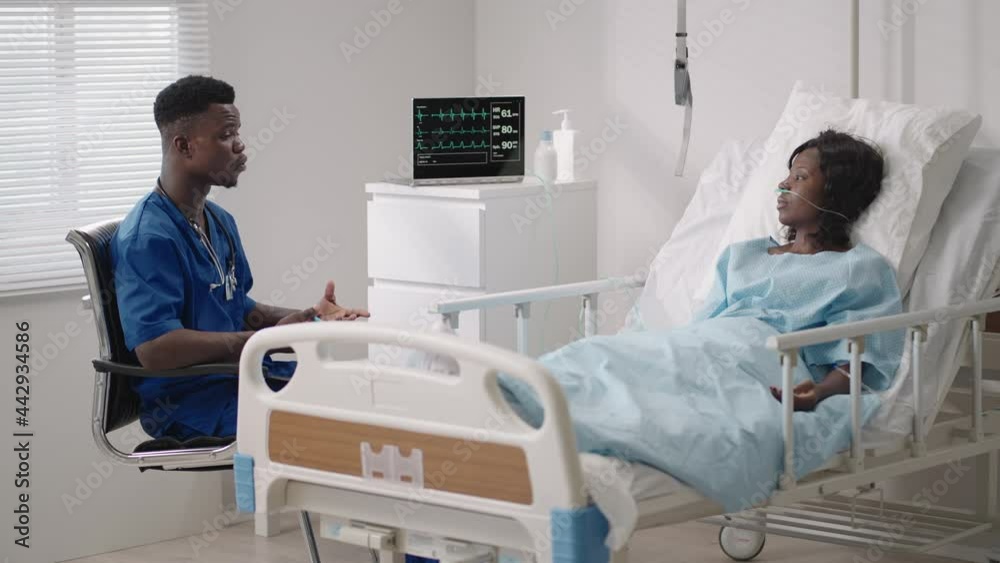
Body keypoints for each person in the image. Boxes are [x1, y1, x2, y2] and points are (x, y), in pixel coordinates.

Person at [498, 129, 906, 510]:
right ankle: (515, 395)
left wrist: (817, 395)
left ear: (834, 191)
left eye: (799, 177)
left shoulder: (858, 269)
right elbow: (699, 334)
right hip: (703, 345)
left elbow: (860, 356)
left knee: (648, 394)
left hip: (765, 361)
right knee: (600, 353)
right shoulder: (742, 256)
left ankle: (547, 414)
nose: (782, 186)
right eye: (786, 176)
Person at [111, 75, 369, 441]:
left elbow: (234, 304)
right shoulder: (148, 238)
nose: (240, 145)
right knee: (333, 428)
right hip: (189, 404)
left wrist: (308, 318)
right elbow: (155, 349)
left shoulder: (218, 220)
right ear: (183, 145)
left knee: (361, 396)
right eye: (225, 135)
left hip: (240, 379)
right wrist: (258, 340)